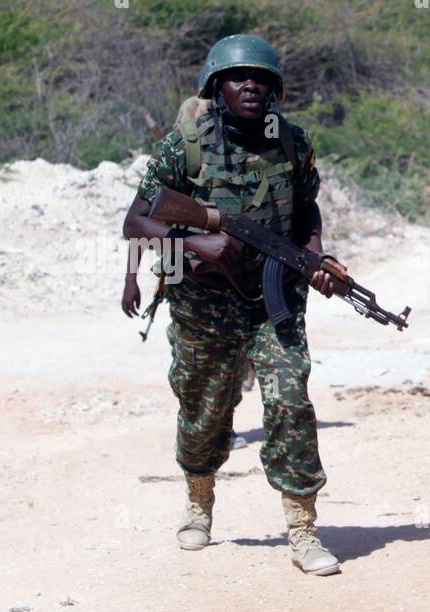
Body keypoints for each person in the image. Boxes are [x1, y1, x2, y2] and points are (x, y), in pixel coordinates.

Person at [121, 34, 346, 576]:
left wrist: (313, 260)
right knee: (204, 412)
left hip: (275, 302)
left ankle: (302, 528)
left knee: (291, 400)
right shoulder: (186, 147)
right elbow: (136, 220)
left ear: (275, 89)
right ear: (216, 86)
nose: (251, 85)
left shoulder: (292, 143)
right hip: (203, 301)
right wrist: (199, 242)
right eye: (239, 77)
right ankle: (199, 502)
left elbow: (307, 210)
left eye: (262, 78)